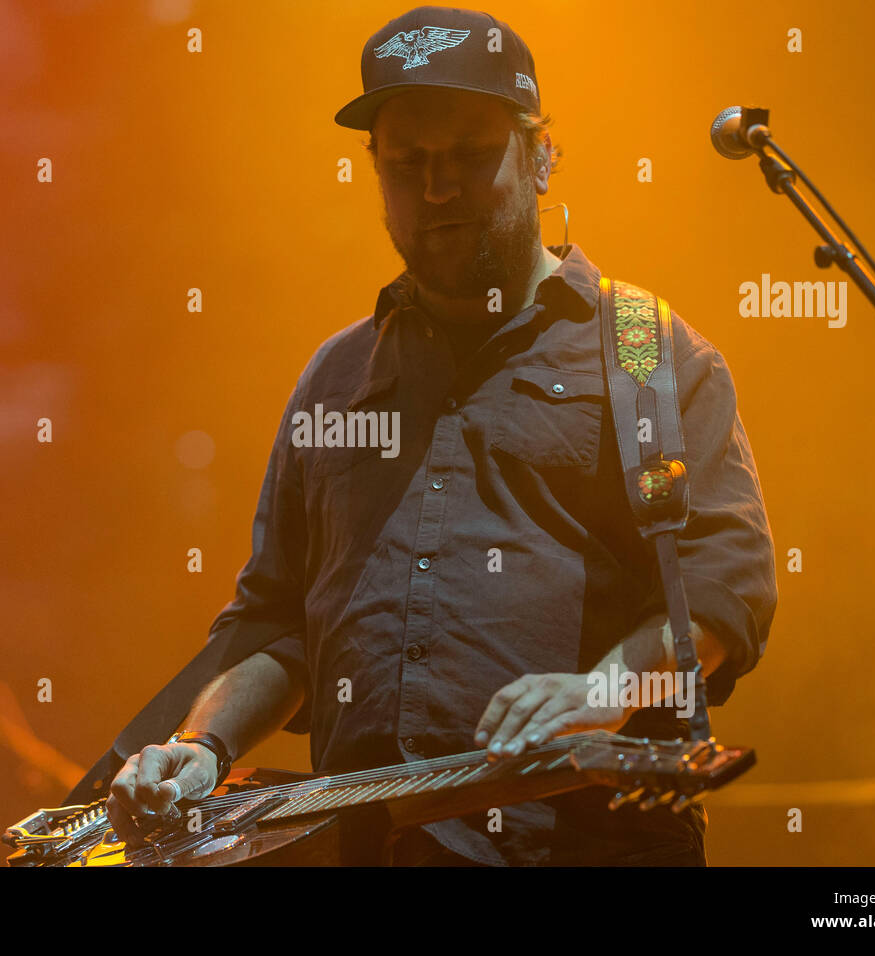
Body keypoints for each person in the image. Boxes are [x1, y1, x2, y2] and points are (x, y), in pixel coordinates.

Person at [106, 5, 778, 866]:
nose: (436, 189)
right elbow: (276, 621)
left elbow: (728, 581)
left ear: (540, 157)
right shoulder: (336, 376)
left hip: (586, 845)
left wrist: (605, 689)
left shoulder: (647, 349)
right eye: (407, 163)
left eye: (467, 155)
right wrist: (201, 747)